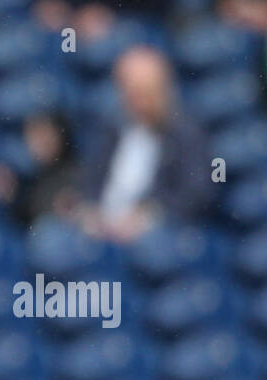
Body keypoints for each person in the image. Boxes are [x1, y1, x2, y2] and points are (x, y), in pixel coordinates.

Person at [76, 45, 211, 243]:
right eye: (131, 91)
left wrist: (148, 214)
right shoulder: (110, 127)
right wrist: (89, 210)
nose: (139, 100)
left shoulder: (186, 133)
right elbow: (90, 181)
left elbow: (196, 193)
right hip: (102, 227)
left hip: (154, 232)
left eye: (146, 91)